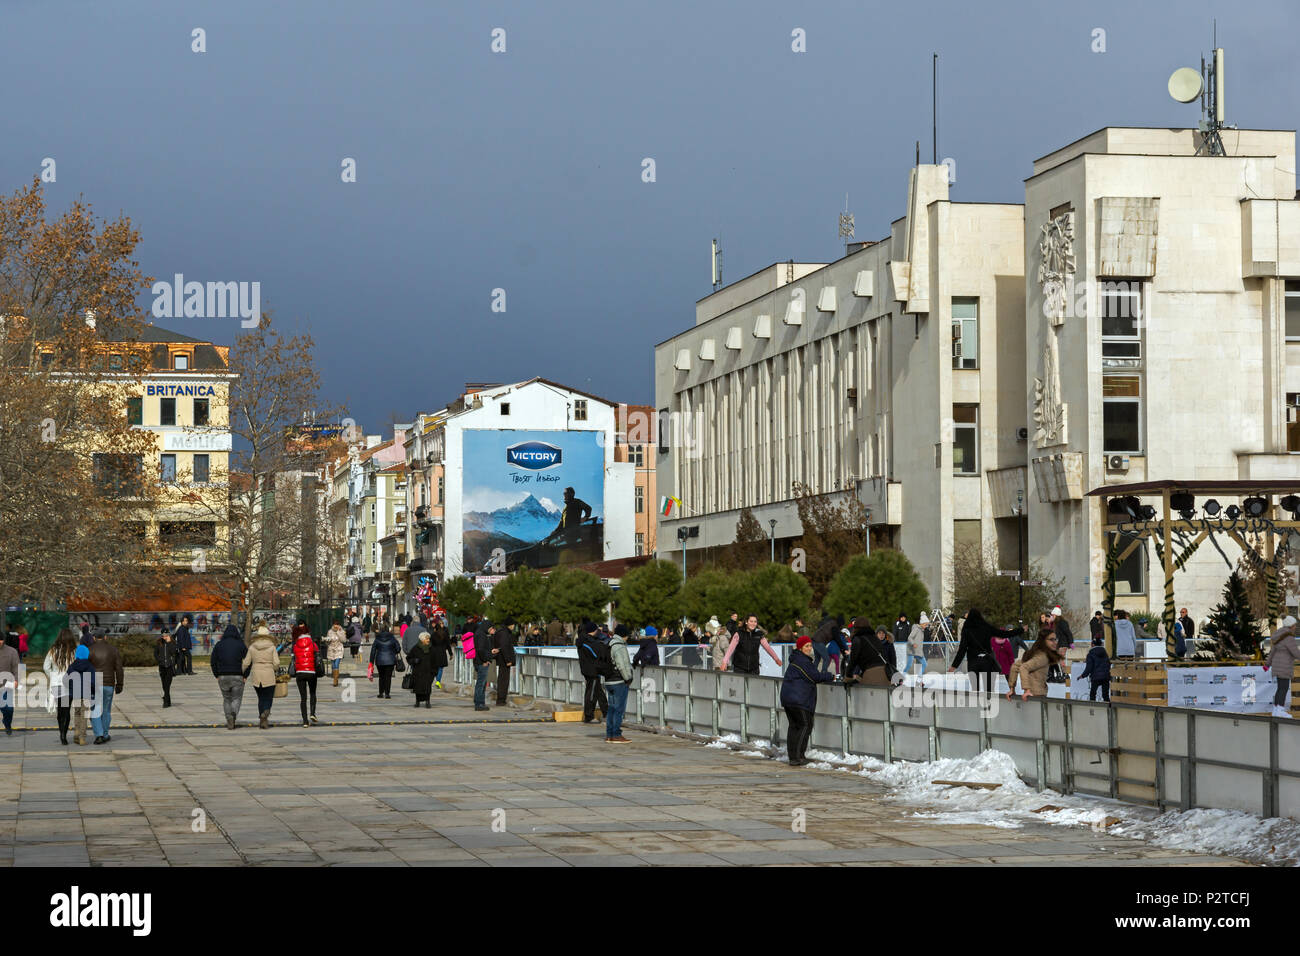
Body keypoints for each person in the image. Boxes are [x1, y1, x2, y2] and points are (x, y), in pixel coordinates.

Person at [782, 635, 837, 766]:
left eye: (810, 646)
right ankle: (798, 757)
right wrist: (831, 676)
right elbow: (814, 676)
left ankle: (794, 756)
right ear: (800, 648)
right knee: (805, 725)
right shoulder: (802, 661)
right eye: (806, 646)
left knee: (794, 726)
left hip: (789, 698)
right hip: (798, 699)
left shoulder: (797, 659)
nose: (809, 648)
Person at [950, 608, 1017, 695]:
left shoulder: (966, 630)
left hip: (973, 661)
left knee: (975, 689)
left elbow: (962, 650)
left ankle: (978, 704)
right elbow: (1002, 634)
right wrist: (1020, 630)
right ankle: (989, 704)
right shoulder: (986, 627)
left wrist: (954, 666)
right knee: (989, 689)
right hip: (987, 661)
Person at [88, 630, 124, 745]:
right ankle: (105, 733)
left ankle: (98, 735)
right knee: (106, 710)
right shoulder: (113, 650)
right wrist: (120, 683)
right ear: (105, 637)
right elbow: (119, 668)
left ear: (94, 638)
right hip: (109, 683)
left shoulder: (89, 650)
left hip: (94, 683)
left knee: (95, 709)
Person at [1006, 628, 1063, 700]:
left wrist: (1012, 688)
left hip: (1031, 696)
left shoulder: (1035, 653)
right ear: (1043, 641)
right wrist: (1027, 689)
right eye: (1051, 640)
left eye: (1055, 639)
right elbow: (1024, 668)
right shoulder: (1043, 656)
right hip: (1038, 695)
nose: (1055, 642)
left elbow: (1015, 666)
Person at [44, 628, 78, 745]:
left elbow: (45, 667)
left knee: (60, 710)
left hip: (56, 683)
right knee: (67, 709)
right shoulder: (74, 651)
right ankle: (64, 733)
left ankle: (61, 733)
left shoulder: (53, 650)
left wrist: (52, 675)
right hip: (70, 682)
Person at [210, 623, 247, 729]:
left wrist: (216, 674)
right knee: (236, 698)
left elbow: (213, 661)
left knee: (226, 699)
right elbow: (248, 660)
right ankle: (233, 714)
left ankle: (228, 718)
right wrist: (246, 675)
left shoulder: (219, 645)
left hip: (222, 676)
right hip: (237, 675)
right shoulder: (240, 645)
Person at [242, 625, 280, 729]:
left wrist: (242, 672)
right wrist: (275, 669)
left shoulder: (252, 647)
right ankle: (266, 712)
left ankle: (262, 719)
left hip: (256, 675)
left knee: (261, 698)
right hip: (269, 674)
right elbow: (276, 663)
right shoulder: (272, 647)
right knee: (268, 697)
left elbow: (246, 662)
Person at [603, 621, 634, 743]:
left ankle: (609, 734)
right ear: (623, 635)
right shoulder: (619, 646)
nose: (627, 638)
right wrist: (628, 678)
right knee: (618, 709)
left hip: (609, 680)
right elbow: (622, 665)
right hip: (618, 681)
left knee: (611, 708)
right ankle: (616, 734)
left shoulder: (609, 643)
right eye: (627, 635)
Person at [1266, 616, 1300, 718]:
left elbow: (1272, 652)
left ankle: (1276, 710)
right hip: (1284, 667)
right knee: (1283, 688)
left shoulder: (1279, 635)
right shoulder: (1288, 637)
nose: (1295, 627)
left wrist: (1267, 664)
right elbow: (1296, 653)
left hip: (1277, 666)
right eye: (1294, 625)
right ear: (1291, 626)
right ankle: (1280, 710)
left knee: (1280, 688)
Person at [575, 621, 609, 722]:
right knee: (592, 693)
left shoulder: (584, 641)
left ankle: (606, 712)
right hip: (592, 670)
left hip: (589, 670)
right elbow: (596, 655)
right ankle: (589, 716)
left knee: (598, 691)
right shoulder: (588, 643)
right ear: (593, 631)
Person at [67, 645, 97, 746]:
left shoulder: (72, 666)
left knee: (77, 713)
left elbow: (66, 680)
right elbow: (93, 682)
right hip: (86, 694)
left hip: (75, 693)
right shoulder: (90, 667)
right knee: (84, 716)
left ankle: (76, 732)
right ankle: (82, 737)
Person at [291, 627, 320, 727]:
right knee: (312, 693)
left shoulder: (296, 645)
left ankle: (305, 721)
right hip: (311, 672)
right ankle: (312, 713)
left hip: (300, 673)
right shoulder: (313, 644)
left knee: (303, 698)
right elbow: (317, 656)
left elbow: (294, 657)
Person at [406, 631, 437, 708]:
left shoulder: (432, 649)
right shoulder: (416, 648)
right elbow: (408, 658)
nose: (428, 640)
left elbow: (435, 661)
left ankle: (427, 701)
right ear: (422, 639)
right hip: (418, 672)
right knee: (418, 688)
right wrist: (414, 661)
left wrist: (434, 672)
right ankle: (417, 702)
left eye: (428, 639)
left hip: (428, 672)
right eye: (427, 639)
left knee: (427, 687)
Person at [370, 626, 402, 700]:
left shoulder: (377, 638)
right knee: (388, 677)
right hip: (390, 660)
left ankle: (381, 693)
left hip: (380, 660)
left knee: (381, 677)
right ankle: (387, 693)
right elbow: (398, 649)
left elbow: (373, 651)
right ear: (388, 630)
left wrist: (371, 662)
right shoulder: (392, 638)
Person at [471, 621, 495, 711]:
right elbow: (481, 649)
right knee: (481, 683)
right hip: (481, 662)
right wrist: (485, 660)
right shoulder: (481, 635)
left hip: (477, 661)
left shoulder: (478, 633)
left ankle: (478, 701)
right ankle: (479, 703)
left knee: (480, 682)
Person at [1080, 633, 1111, 702]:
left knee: (1093, 694)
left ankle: (1093, 708)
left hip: (1095, 677)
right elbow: (1108, 664)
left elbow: (1089, 667)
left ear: (1093, 645)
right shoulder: (1105, 653)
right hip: (1105, 677)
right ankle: (1109, 709)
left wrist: (1083, 675)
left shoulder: (1090, 654)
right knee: (1105, 695)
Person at [154, 629, 180, 708]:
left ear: (169, 635)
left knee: (167, 685)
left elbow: (173, 652)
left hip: (169, 666)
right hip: (162, 666)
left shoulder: (173, 642)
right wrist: (159, 660)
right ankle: (168, 700)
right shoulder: (159, 642)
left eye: (166, 635)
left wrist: (169, 642)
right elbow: (155, 653)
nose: (164, 637)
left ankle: (165, 702)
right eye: (163, 636)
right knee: (163, 685)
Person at [0, 630, 18, 737]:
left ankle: (7, 724)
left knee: (9, 709)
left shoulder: (12, 652)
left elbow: (16, 667)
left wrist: (16, 679)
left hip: (7, 686)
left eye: (1, 640)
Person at [493, 622, 516, 706]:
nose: (514, 626)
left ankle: (501, 698)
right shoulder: (504, 633)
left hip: (501, 659)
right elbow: (504, 647)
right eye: (513, 624)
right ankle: (501, 699)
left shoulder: (500, 632)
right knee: (504, 680)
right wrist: (508, 660)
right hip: (504, 660)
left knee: (502, 679)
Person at [429, 621, 452, 690]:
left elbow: (430, 645)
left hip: (434, 653)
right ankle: (438, 682)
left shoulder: (433, 635)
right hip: (442, 653)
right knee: (440, 668)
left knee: (434, 668)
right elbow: (448, 645)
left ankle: (435, 681)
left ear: (435, 629)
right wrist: (451, 654)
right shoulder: (444, 635)